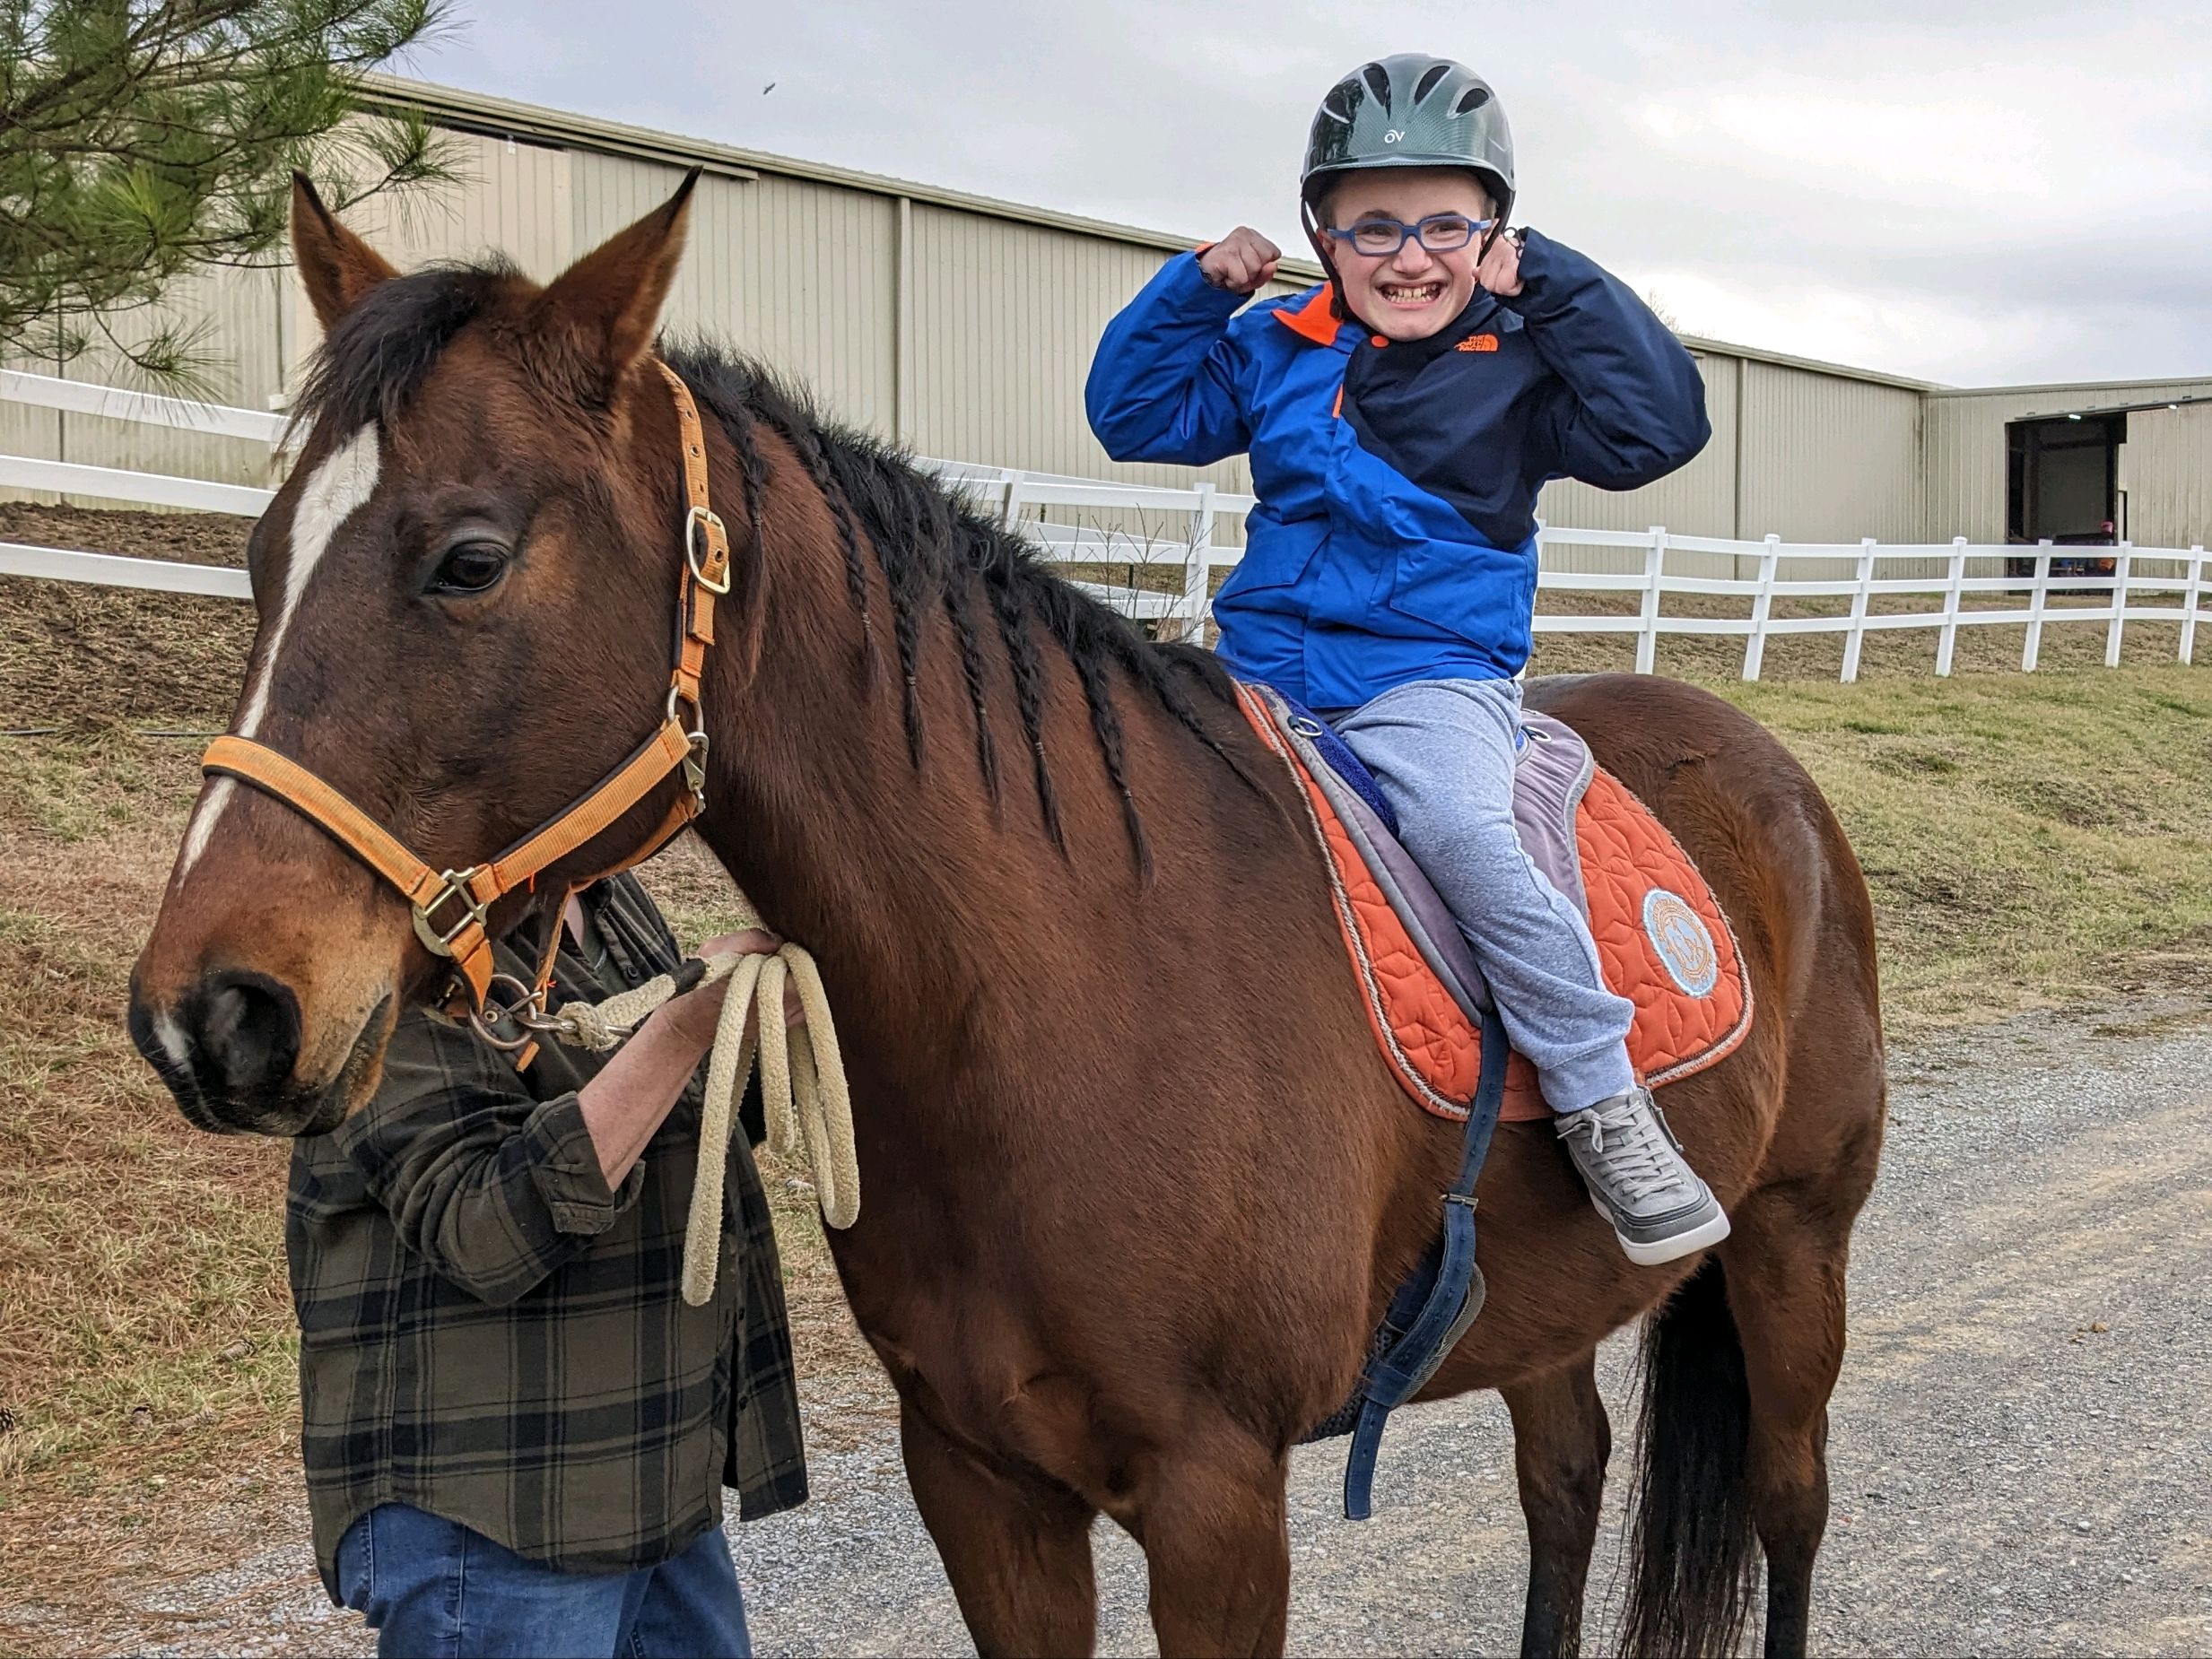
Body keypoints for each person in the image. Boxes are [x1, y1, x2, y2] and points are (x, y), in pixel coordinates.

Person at [1085, 53, 1726, 1264]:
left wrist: (1554, 283)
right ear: (1322, 237)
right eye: (1372, 226)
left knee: (1464, 835)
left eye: (1445, 224)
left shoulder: (1524, 358)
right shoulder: (1277, 343)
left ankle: (1602, 1098)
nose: (1408, 255)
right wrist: (1190, 292)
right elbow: (1133, 416)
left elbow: (1660, 428)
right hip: (1258, 667)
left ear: (1493, 234)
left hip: (1426, 675)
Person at [286, 872, 806, 1655]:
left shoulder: (601, 895)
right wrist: (681, 1033)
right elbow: (482, 1230)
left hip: (651, 1467)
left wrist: (778, 1022)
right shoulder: (376, 935)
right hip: (492, 1513)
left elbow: (678, 1121)